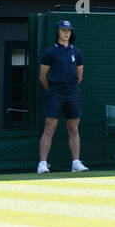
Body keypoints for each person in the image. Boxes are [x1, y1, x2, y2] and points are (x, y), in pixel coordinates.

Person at [37, 20, 88, 173]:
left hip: (72, 92)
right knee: (49, 128)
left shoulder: (77, 52)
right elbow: (42, 76)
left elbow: (79, 76)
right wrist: (52, 90)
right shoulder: (50, 52)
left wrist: (70, 88)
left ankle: (76, 163)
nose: (66, 32)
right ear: (57, 32)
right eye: (63, 30)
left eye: (69, 30)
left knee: (73, 128)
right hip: (55, 93)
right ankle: (42, 164)